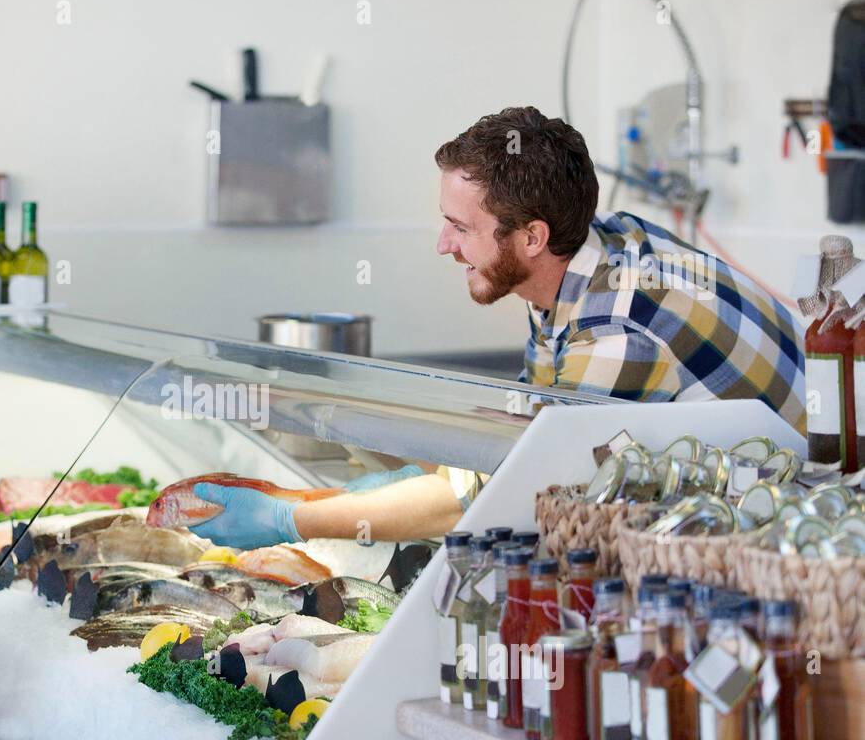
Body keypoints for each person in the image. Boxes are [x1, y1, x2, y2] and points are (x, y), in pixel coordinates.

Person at [191, 106, 806, 549]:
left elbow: (518, 485)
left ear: (533, 237)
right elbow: (526, 432)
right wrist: (407, 468)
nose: (442, 244)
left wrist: (288, 521)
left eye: (461, 228)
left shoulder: (620, 329)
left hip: (785, 539)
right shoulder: (593, 245)